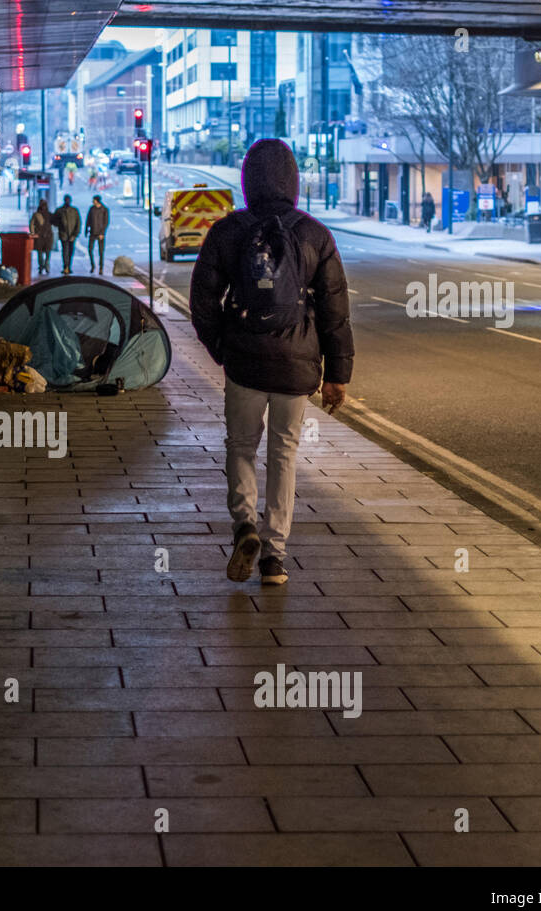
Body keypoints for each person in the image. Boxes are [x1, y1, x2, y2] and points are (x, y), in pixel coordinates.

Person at [189, 138, 354, 586]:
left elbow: (202, 301)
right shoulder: (314, 233)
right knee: (284, 454)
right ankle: (274, 557)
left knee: (240, 447)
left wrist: (222, 348)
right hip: (296, 365)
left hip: (244, 362)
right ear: (293, 181)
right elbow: (336, 311)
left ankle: (245, 525)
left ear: (246, 181)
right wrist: (337, 375)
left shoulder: (228, 231)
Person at [53, 195, 81, 274]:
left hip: (72, 235)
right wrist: (60, 224)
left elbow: (78, 223)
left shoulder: (74, 211)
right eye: (66, 200)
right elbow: (54, 221)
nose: (67, 201)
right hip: (64, 234)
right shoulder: (59, 211)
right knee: (65, 251)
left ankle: (69, 266)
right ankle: (66, 266)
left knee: (70, 251)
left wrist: (75, 234)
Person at [85, 194, 109, 275]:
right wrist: (86, 230)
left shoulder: (104, 209)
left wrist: (102, 233)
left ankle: (101, 267)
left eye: (93, 200)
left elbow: (106, 222)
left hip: (100, 233)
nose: (92, 201)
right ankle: (93, 266)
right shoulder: (91, 209)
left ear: (97, 201)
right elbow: (88, 220)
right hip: (92, 232)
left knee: (101, 251)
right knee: (90, 249)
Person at [29, 198, 54, 276]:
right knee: (41, 252)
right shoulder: (37, 214)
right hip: (41, 236)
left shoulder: (49, 214)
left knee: (46, 252)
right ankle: (42, 266)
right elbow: (32, 224)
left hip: (47, 236)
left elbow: (32, 224)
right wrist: (33, 233)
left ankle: (45, 266)